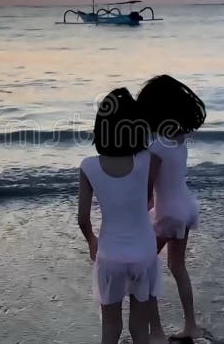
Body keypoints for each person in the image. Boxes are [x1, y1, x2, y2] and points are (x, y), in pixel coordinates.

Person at [78, 87, 163, 344]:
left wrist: (92, 241)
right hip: (144, 253)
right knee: (140, 328)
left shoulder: (89, 166)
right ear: (137, 127)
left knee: (111, 328)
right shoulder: (148, 159)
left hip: (110, 254)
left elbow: (82, 219)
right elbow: (148, 197)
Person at [137, 75, 206, 341]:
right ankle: (191, 326)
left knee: (144, 268)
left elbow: (148, 191)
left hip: (168, 214)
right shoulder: (179, 138)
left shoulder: (155, 147)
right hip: (186, 207)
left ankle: (157, 332)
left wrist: (135, 216)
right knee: (178, 267)